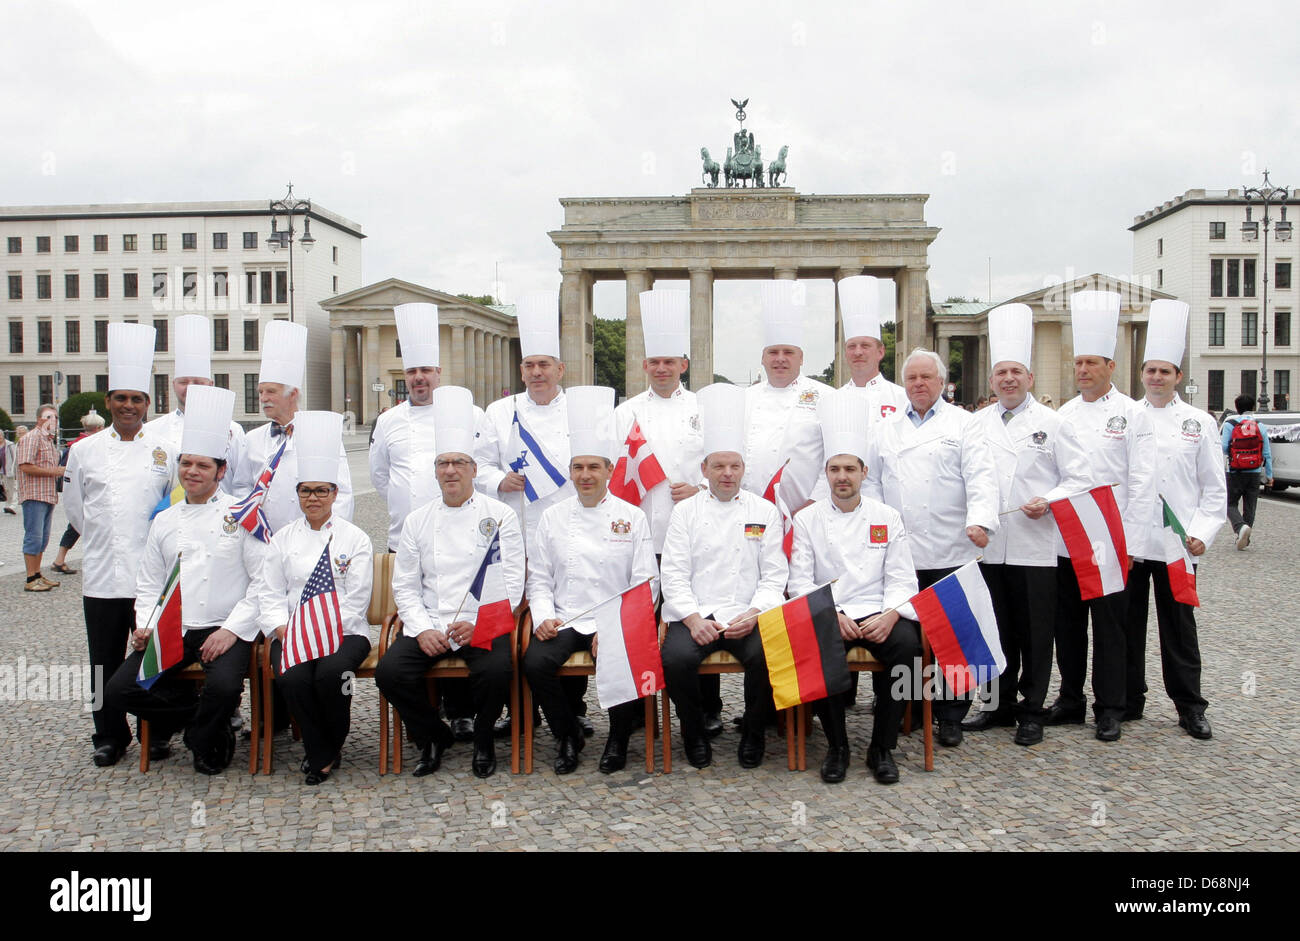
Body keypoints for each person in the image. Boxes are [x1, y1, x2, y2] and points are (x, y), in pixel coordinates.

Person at [104, 386, 267, 773]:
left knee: (226, 688)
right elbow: (149, 583)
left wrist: (231, 631)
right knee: (119, 689)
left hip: (224, 627)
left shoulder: (243, 516)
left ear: (221, 471)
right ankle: (201, 726)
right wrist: (144, 625)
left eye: (203, 466)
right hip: (173, 627)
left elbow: (263, 583)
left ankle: (206, 734)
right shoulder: (164, 520)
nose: (192, 472)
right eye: (187, 464)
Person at [378, 386, 524, 779]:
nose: (451, 470)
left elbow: (512, 578)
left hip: (482, 621)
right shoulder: (417, 520)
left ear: (474, 469)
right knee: (389, 673)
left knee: (496, 672)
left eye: (459, 462)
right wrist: (423, 628)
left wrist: (480, 621)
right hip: (431, 620)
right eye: (443, 463)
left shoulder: (500, 516)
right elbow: (405, 585)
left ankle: (482, 739)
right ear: (435, 470)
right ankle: (432, 736)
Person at [961, 305, 1090, 746]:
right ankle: (995, 704)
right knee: (994, 627)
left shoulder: (1053, 424)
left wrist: (1050, 501)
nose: (1009, 379)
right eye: (1001, 373)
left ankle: (1031, 710)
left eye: (1016, 371)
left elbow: (1080, 477)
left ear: (1030, 378)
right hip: (988, 546)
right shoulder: (974, 424)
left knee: (1036, 632)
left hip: (1037, 544)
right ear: (992, 381)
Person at [864, 348, 1000, 747]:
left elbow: (981, 476)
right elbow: (871, 482)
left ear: (942, 382)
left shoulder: (965, 424)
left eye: (927, 377)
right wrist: (876, 526)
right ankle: (903, 706)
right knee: (900, 634)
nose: (919, 384)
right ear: (903, 384)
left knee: (952, 637)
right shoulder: (886, 429)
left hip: (949, 544)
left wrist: (981, 520)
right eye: (911, 378)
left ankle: (950, 713)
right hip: (898, 550)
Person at [523, 386, 659, 774]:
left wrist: (618, 625)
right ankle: (568, 734)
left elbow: (646, 580)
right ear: (570, 472)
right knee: (535, 663)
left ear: (609, 471)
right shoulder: (553, 518)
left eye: (593, 467)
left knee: (620, 656)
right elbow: (540, 577)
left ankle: (617, 737)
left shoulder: (631, 516)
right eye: (578, 468)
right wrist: (544, 616)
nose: (585, 475)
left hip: (615, 617)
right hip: (566, 617)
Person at [789, 389, 922, 783]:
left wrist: (892, 613)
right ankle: (837, 746)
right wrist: (832, 612)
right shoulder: (807, 520)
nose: (842, 477)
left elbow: (902, 577)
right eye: (835, 470)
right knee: (822, 647)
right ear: (825, 474)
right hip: (833, 609)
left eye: (850, 469)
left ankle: (882, 746)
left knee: (910, 650)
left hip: (880, 608)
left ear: (864, 473)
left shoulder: (887, 516)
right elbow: (799, 580)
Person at [63, 323, 179, 766]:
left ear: (148, 404)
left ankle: (159, 731)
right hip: (104, 573)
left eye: (137, 399)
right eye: (121, 398)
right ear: (108, 401)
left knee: (157, 656)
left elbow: (172, 508)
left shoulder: (166, 450)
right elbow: (75, 511)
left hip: (151, 576)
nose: (128, 406)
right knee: (103, 662)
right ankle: (108, 735)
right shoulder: (84, 451)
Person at [474, 290, 589, 735]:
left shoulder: (580, 408)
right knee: (510, 620)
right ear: (520, 370)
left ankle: (572, 708)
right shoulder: (500, 411)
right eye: (529, 365)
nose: (537, 373)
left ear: (560, 369)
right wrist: (497, 480)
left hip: (568, 529)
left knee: (566, 615)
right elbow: (477, 463)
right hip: (513, 530)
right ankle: (517, 711)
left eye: (545, 365)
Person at [370, 303, 484, 741]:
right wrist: (411, 508)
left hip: (465, 536)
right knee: (420, 625)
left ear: (440, 372)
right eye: (413, 370)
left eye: (427, 370)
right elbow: (381, 477)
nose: (419, 378)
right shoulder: (389, 420)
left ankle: (463, 711)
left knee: (459, 616)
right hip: (409, 538)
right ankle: (427, 711)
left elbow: (484, 465)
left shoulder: (467, 413)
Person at [1046, 291, 1155, 742]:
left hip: (1110, 539)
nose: (1084, 370)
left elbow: (1142, 482)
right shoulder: (1062, 416)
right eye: (1078, 363)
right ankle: (1071, 698)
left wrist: (1130, 542)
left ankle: (1111, 705)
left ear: (1111, 366)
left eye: (1093, 362)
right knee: (1067, 625)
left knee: (1111, 627)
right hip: (1067, 537)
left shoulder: (1133, 415)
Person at [661, 382, 786, 770]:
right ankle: (694, 732)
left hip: (746, 614)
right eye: (719, 465)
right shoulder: (685, 512)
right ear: (704, 469)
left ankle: (753, 731)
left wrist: (754, 612)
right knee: (676, 659)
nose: (727, 473)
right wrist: (694, 618)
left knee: (767, 657)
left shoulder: (764, 511)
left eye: (734, 466)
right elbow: (674, 574)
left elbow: (774, 576)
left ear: (743, 468)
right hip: (697, 613)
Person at [611, 290, 713, 734]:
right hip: (639, 536)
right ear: (645, 365)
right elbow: (612, 468)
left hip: (692, 535)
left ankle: (706, 709)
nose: (661, 368)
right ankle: (637, 712)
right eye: (654, 361)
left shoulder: (702, 408)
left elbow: (727, 463)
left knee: (696, 623)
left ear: (683, 365)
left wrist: (702, 486)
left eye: (669, 361)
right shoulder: (625, 411)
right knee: (639, 626)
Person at [1129, 301, 1226, 739]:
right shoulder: (1126, 418)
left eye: (1164, 371)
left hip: (1177, 545)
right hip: (1133, 543)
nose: (1155, 378)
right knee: (1128, 627)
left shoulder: (1199, 423)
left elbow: (1214, 490)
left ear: (1178, 377)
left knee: (1179, 630)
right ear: (1142, 373)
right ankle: (1129, 699)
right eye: (1150, 370)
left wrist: (1202, 533)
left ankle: (1190, 706)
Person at [259, 411, 372, 785]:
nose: (313, 498)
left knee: (332, 675)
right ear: (297, 495)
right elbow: (269, 591)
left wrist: (322, 630)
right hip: (291, 631)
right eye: (306, 490)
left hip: (344, 632)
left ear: (335, 494)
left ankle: (329, 745)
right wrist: (281, 627)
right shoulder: (283, 539)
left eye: (322, 490)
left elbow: (356, 597)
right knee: (291, 678)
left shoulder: (354, 539)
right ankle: (318, 748)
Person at [232, 320, 353, 535]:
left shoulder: (320, 434)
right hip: (262, 538)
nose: (263, 398)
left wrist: (329, 538)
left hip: (308, 539)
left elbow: (342, 493)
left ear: (293, 394)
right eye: (260, 392)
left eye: (270, 391)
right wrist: (251, 522)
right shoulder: (252, 438)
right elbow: (241, 486)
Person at [742, 280, 833, 510]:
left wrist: (813, 504)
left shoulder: (826, 397)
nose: (780, 359)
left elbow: (833, 459)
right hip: (750, 512)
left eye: (788, 353)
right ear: (763, 358)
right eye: (773, 352)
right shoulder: (744, 399)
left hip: (805, 513)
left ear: (801, 358)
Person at [145, 314, 248, 494]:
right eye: (184, 382)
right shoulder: (153, 430)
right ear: (173, 384)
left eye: (198, 382)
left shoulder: (233, 430)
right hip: (169, 515)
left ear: (210, 385)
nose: (191, 388)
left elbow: (242, 483)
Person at [836, 276, 908, 427]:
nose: (858, 352)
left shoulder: (903, 399)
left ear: (880, 352)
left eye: (865, 346)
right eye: (851, 346)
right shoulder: (834, 399)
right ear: (845, 353)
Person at [51, 410, 106, 575]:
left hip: (79, 489)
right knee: (76, 526)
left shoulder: (78, 442)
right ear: (98, 428)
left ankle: (60, 559)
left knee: (74, 526)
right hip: (86, 490)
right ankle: (59, 559)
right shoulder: (89, 445)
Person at [17, 403, 62, 592]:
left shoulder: (47, 440)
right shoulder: (32, 437)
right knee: (33, 537)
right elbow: (25, 465)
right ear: (39, 419)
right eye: (48, 417)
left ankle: (37, 574)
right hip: (34, 494)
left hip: (47, 495)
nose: (52, 421)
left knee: (42, 538)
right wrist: (55, 471)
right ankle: (30, 577)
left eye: (55, 417)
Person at [1222, 393, 1273, 550]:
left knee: (1230, 503)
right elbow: (1267, 454)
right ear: (1253, 407)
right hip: (1254, 471)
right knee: (1250, 506)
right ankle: (1244, 536)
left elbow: (1223, 447)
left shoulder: (1230, 424)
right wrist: (1269, 476)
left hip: (1235, 470)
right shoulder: (1260, 425)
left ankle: (1240, 528)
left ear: (1237, 408)